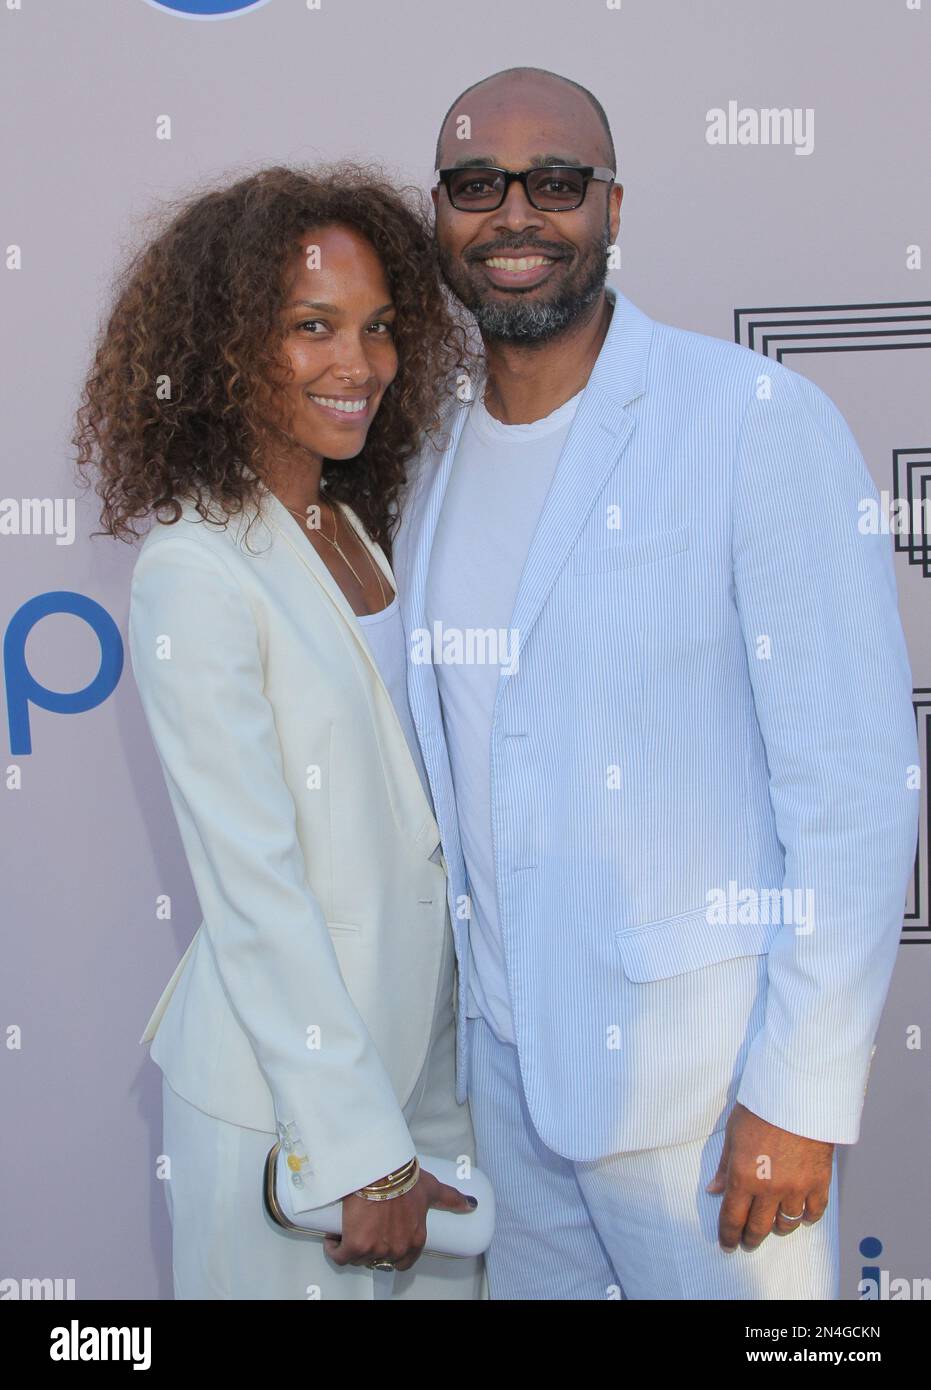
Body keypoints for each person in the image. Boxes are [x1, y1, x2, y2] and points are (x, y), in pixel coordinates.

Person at [390, 67, 920, 1299]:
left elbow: (849, 782)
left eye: (555, 183)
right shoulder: (428, 458)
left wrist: (798, 1092)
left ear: (613, 209)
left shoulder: (751, 421)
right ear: (440, 216)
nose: (515, 214)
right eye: (478, 186)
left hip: (706, 1092)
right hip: (508, 1085)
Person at [74, 165, 484, 1300]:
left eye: (378, 328)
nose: (358, 365)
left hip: (424, 1076)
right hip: (290, 1116)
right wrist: (357, 1149)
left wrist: (432, 1110)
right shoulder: (194, 570)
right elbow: (252, 883)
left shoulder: (352, 528)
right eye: (313, 328)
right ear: (222, 349)